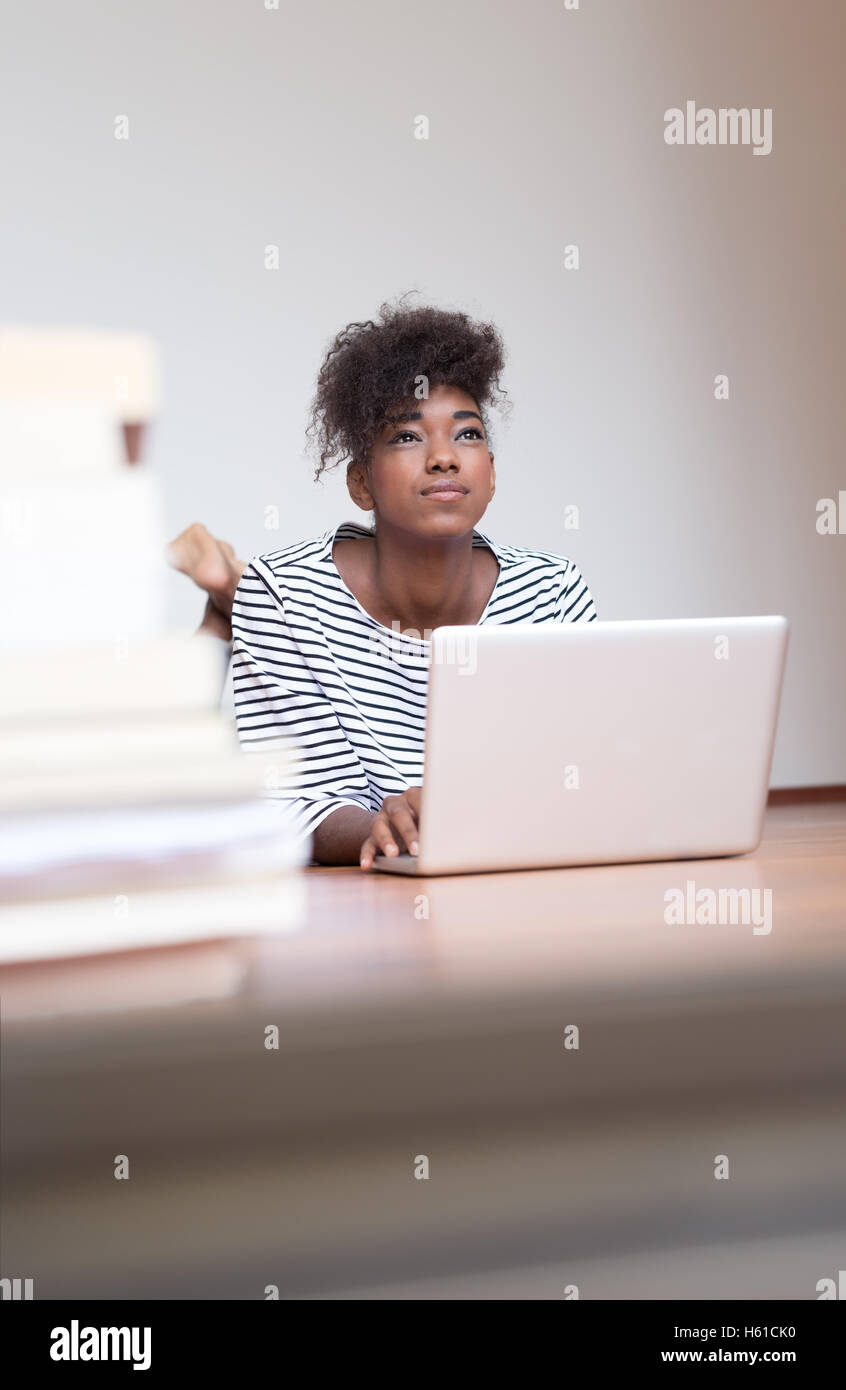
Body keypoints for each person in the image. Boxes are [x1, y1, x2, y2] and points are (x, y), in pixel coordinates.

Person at [168, 297, 597, 870]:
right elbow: (287, 802)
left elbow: (588, 771)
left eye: (467, 436)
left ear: (491, 475)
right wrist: (381, 829)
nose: (444, 457)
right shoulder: (285, 597)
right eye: (407, 437)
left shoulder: (553, 594)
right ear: (361, 484)